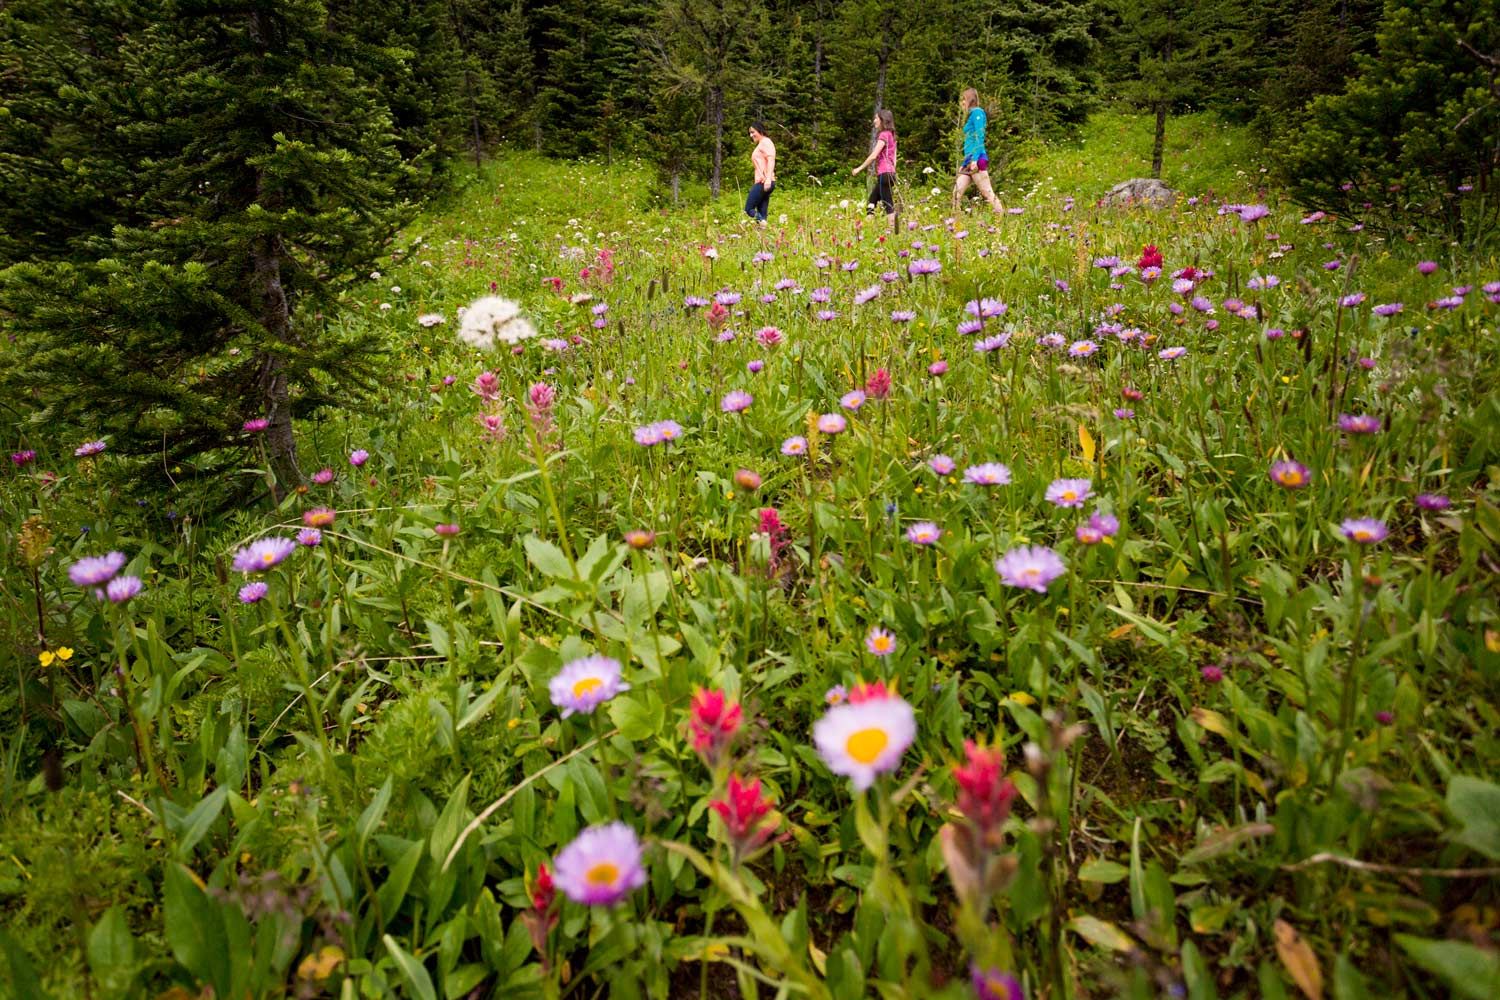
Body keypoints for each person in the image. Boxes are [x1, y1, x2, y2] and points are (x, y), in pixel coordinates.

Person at [953, 88, 1003, 215]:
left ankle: (1001, 219)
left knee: (987, 193)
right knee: (956, 194)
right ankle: (956, 224)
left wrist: (975, 159)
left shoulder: (978, 112)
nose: (961, 103)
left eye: (963, 100)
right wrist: (965, 163)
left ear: (969, 100)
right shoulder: (971, 115)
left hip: (977, 159)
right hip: (968, 160)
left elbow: (979, 135)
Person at [852, 109, 898, 231]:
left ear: (882, 120)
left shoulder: (884, 135)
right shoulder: (893, 136)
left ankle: (892, 232)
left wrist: (859, 168)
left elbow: (873, 155)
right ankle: (864, 229)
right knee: (872, 202)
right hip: (891, 173)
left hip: (884, 173)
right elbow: (894, 158)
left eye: (876, 118)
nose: (874, 121)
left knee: (888, 204)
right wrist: (893, 172)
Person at [745, 123, 776, 223]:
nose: (751, 135)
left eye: (753, 132)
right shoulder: (762, 143)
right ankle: (762, 233)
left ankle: (762, 222)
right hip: (763, 181)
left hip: (764, 182)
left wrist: (767, 179)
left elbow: (771, 159)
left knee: (748, 209)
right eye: (750, 133)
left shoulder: (766, 142)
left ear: (760, 131)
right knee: (762, 211)